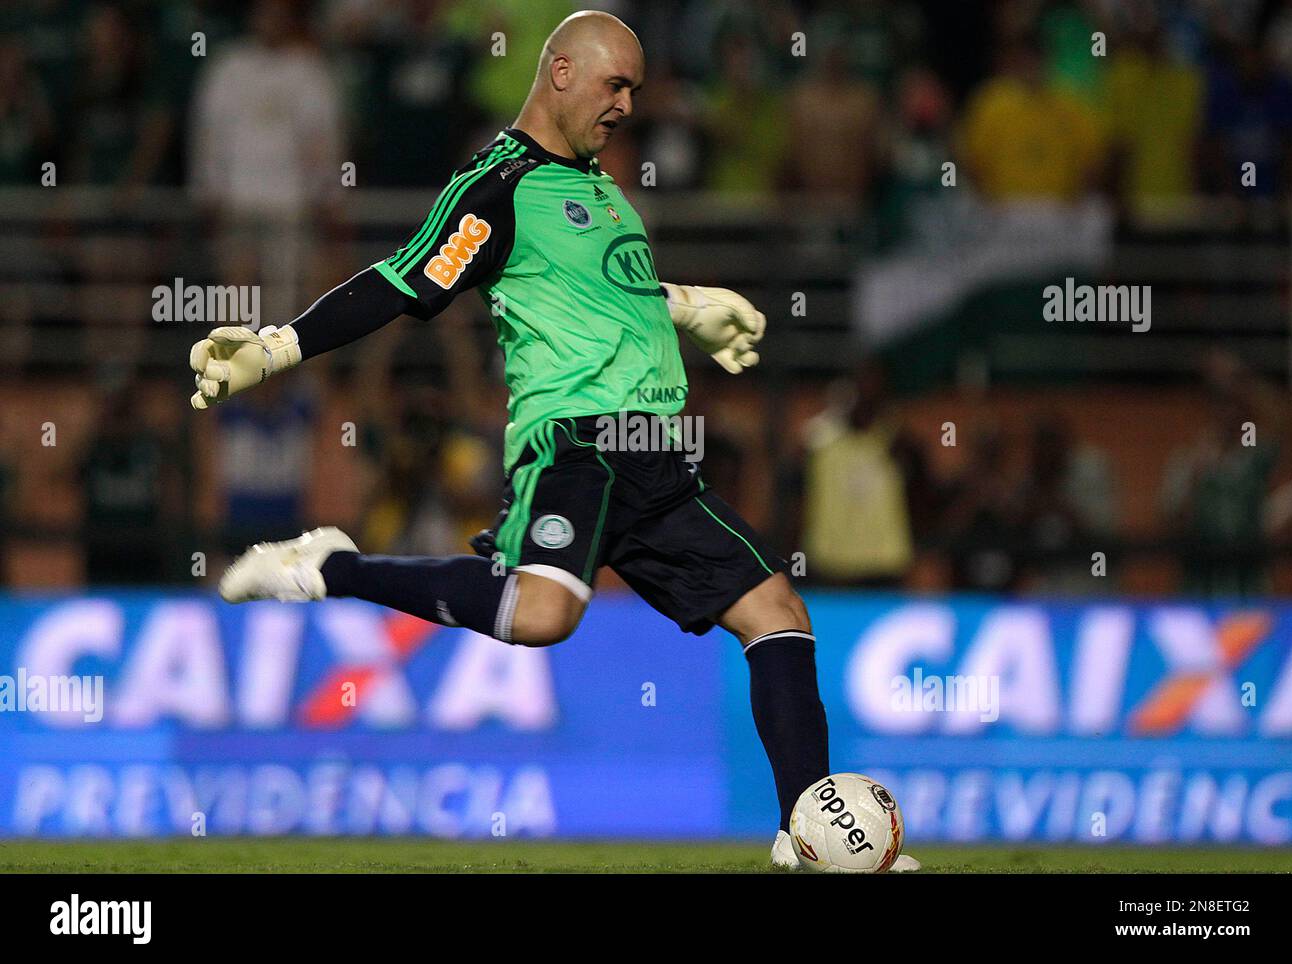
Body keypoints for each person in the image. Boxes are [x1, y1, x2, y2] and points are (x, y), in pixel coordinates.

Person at [186, 10, 916, 872]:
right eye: (616, 84)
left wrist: (691, 306)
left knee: (777, 616)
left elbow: (601, 290)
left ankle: (810, 836)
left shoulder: (603, 188)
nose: (627, 105)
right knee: (543, 616)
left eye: (636, 90)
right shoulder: (496, 184)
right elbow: (405, 280)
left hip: (660, 463)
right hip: (577, 447)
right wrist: (277, 348)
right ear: (561, 71)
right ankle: (329, 566)